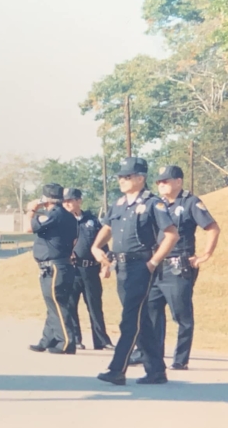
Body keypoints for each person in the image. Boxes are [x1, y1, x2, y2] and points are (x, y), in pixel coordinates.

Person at [91, 157, 179, 385]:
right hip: (121, 267)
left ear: (141, 178)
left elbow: (171, 235)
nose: (122, 180)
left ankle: (117, 368)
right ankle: (156, 370)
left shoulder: (152, 203)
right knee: (141, 320)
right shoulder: (119, 204)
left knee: (130, 319)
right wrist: (96, 247)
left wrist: (153, 262)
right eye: (120, 176)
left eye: (127, 176)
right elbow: (108, 227)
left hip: (141, 266)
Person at [130, 165, 220, 370]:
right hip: (156, 265)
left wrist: (205, 255)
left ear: (178, 182)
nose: (161, 185)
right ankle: (151, 356)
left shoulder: (190, 203)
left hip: (179, 266)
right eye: (159, 182)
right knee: (150, 311)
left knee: (181, 314)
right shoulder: (156, 203)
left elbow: (212, 228)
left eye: (166, 181)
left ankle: (180, 359)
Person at [26, 183, 79, 355]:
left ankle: (66, 341)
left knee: (57, 303)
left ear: (46, 199)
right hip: (62, 265)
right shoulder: (68, 216)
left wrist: (31, 210)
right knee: (54, 304)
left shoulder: (54, 214)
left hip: (54, 266)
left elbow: (28, 227)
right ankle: (48, 339)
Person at [62, 188, 114, 351]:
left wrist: (106, 264)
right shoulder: (62, 221)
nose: (68, 204)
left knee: (95, 305)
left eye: (71, 200)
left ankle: (101, 340)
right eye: (66, 201)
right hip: (72, 269)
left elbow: (102, 243)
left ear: (79, 201)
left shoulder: (91, 221)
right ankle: (76, 339)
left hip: (90, 269)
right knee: (71, 305)